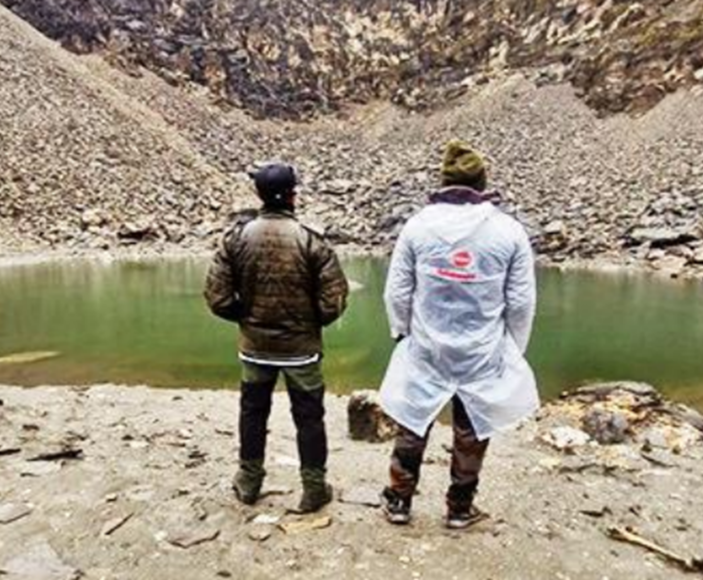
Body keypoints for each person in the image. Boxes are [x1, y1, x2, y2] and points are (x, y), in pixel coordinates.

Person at [379, 141, 538, 530]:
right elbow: (520, 302)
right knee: (472, 428)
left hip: (427, 345)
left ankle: (399, 500)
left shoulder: (417, 226)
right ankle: (459, 508)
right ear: (482, 184)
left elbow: (397, 292)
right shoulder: (508, 231)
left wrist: (401, 332)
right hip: (482, 350)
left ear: (444, 181)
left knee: (414, 419)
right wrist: (514, 347)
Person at [205, 163, 350, 514]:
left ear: (260, 195)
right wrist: (307, 323)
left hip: (255, 349)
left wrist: (249, 318)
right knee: (309, 417)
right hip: (301, 351)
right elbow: (334, 301)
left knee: (253, 413)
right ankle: (313, 488)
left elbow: (217, 297)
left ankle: (249, 482)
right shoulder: (310, 239)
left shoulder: (236, 238)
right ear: (292, 196)